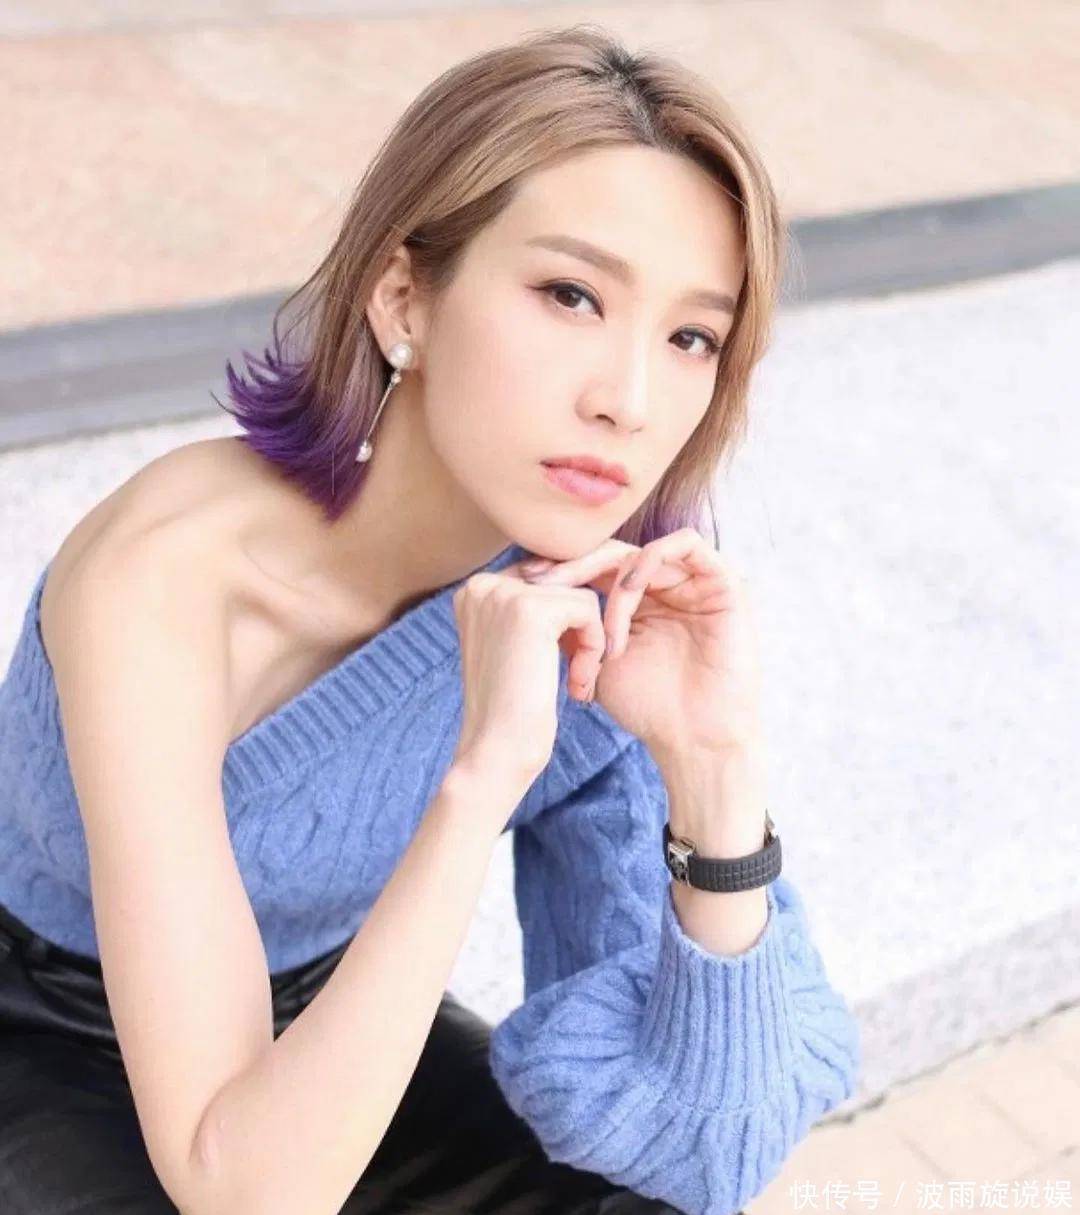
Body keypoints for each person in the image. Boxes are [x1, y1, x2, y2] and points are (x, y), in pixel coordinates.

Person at [0, 23, 860, 1215]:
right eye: (570, 295)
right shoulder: (164, 578)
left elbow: (705, 1148)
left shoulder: (597, 601)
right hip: (40, 1019)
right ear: (404, 296)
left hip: (331, 999)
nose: (628, 400)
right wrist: (483, 774)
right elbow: (244, 1191)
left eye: (689, 337)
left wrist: (713, 772)